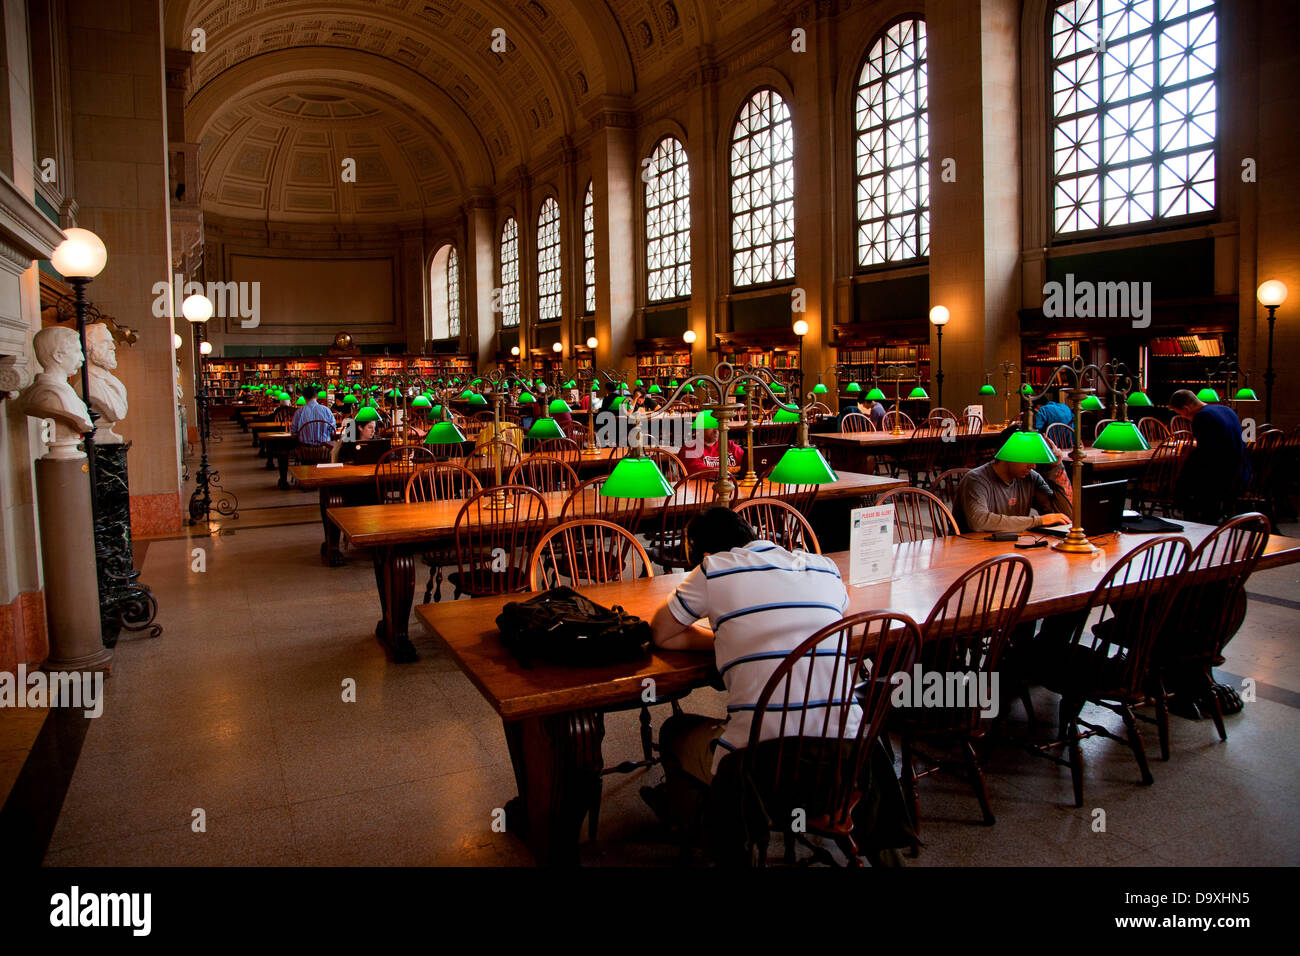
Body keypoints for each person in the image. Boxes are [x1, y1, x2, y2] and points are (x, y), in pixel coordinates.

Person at [645, 507, 913, 865]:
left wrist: (731, 637)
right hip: (846, 760)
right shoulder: (823, 568)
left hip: (760, 770)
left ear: (705, 555)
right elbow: (828, 621)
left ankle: (709, 834)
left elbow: (661, 632)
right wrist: (738, 637)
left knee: (675, 729)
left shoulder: (713, 570)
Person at [955, 433, 1072, 532]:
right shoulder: (976, 480)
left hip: (1014, 548)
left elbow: (1066, 515)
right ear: (1008, 454)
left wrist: (1056, 467)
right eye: (1028, 459)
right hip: (975, 551)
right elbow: (979, 522)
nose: (1033, 466)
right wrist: (1039, 520)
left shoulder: (1030, 478)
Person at [1169, 389, 1249, 522]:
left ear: (1186, 409)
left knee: (1184, 479)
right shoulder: (1226, 410)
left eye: (1181, 414)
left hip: (1222, 476)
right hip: (1241, 471)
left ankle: (1198, 520)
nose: (1184, 418)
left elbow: (1206, 453)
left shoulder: (1202, 417)